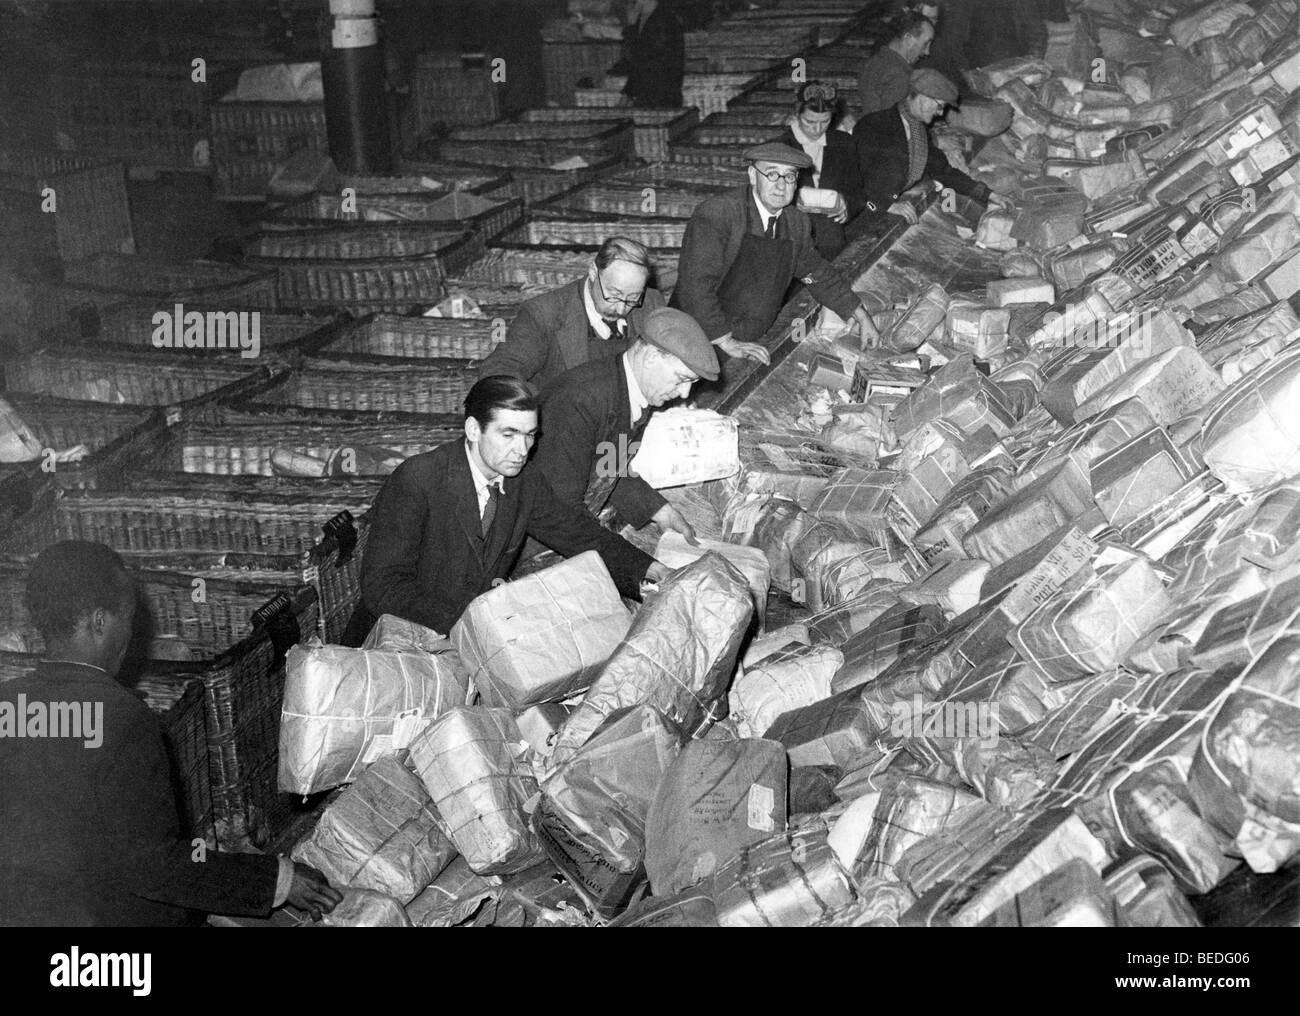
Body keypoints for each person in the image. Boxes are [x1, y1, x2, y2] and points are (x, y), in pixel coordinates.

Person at [0, 541, 342, 926]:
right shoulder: (123, 720)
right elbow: (155, 866)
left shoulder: (9, 705)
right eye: (127, 617)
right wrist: (281, 881)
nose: (131, 635)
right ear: (100, 622)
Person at [345, 376, 666, 642]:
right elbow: (383, 585)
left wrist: (651, 571)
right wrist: (473, 623)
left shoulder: (522, 481)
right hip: (396, 642)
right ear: (473, 430)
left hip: (468, 636)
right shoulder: (419, 478)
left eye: (529, 436)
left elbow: (578, 534)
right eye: (508, 434)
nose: (522, 450)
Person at [671, 142, 880, 374]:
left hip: (750, 338)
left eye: (789, 177)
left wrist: (859, 314)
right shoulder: (719, 214)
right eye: (772, 174)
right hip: (700, 337)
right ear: (753, 175)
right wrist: (724, 340)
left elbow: (817, 274)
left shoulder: (796, 222)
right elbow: (695, 286)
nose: (781, 185)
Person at [533, 307, 718, 543]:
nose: (684, 393)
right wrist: (633, 563)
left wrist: (661, 511)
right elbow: (559, 508)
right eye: (682, 379)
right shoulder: (579, 400)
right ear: (651, 357)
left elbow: (606, 464)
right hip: (531, 543)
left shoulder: (634, 390)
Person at [477, 237, 667, 392]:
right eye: (613, 295)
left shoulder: (651, 303)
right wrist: (544, 409)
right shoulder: (544, 314)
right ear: (593, 272)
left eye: (632, 298)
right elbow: (500, 371)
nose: (620, 309)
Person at [851, 68, 1006, 227]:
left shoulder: (919, 131)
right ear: (923, 98)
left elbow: (944, 172)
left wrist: (988, 194)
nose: (940, 114)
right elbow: (853, 181)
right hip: (863, 217)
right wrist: (884, 205)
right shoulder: (874, 125)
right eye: (940, 106)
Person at [778, 81, 863, 259]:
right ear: (797, 114)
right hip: (792, 245)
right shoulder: (779, 147)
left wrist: (847, 205)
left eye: (825, 121)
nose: (817, 129)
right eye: (809, 121)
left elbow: (858, 191)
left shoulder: (844, 143)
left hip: (833, 244)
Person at [857, 10, 935, 116]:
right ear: (908, 39)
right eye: (926, 43)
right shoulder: (899, 76)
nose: (927, 52)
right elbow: (892, 125)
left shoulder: (876, 59)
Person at [621, 0, 685, 109]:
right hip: (651, 94)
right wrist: (629, 93)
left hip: (660, 96)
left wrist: (630, 28)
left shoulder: (663, 20)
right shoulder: (644, 18)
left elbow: (648, 59)